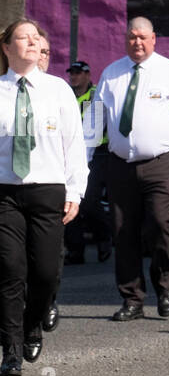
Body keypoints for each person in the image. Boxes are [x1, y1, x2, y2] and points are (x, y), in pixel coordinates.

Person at [96, 17, 169, 322]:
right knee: (123, 231)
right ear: (125, 39)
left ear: (154, 39)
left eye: (142, 37)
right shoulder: (111, 73)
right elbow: (94, 119)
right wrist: (84, 158)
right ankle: (132, 299)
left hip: (161, 164)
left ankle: (164, 289)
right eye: (131, 38)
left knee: (159, 224)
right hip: (119, 165)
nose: (137, 43)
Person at [0, 20, 87, 376]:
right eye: (24, 37)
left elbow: (74, 143)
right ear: (6, 48)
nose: (34, 42)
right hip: (4, 193)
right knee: (9, 270)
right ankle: (11, 348)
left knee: (46, 273)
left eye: (37, 37)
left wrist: (75, 190)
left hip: (47, 190)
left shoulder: (58, 89)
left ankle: (33, 322)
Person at [63, 61, 112, 265]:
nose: (73, 76)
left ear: (87, 75)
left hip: (96, 153)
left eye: (78, 73)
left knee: (89, 200)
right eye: (71, 73)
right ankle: (75, 250)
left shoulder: (94, 96)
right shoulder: (66, 97)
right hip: (68, 152)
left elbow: (93, 133)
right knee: (68, 200)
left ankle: (104, 236)